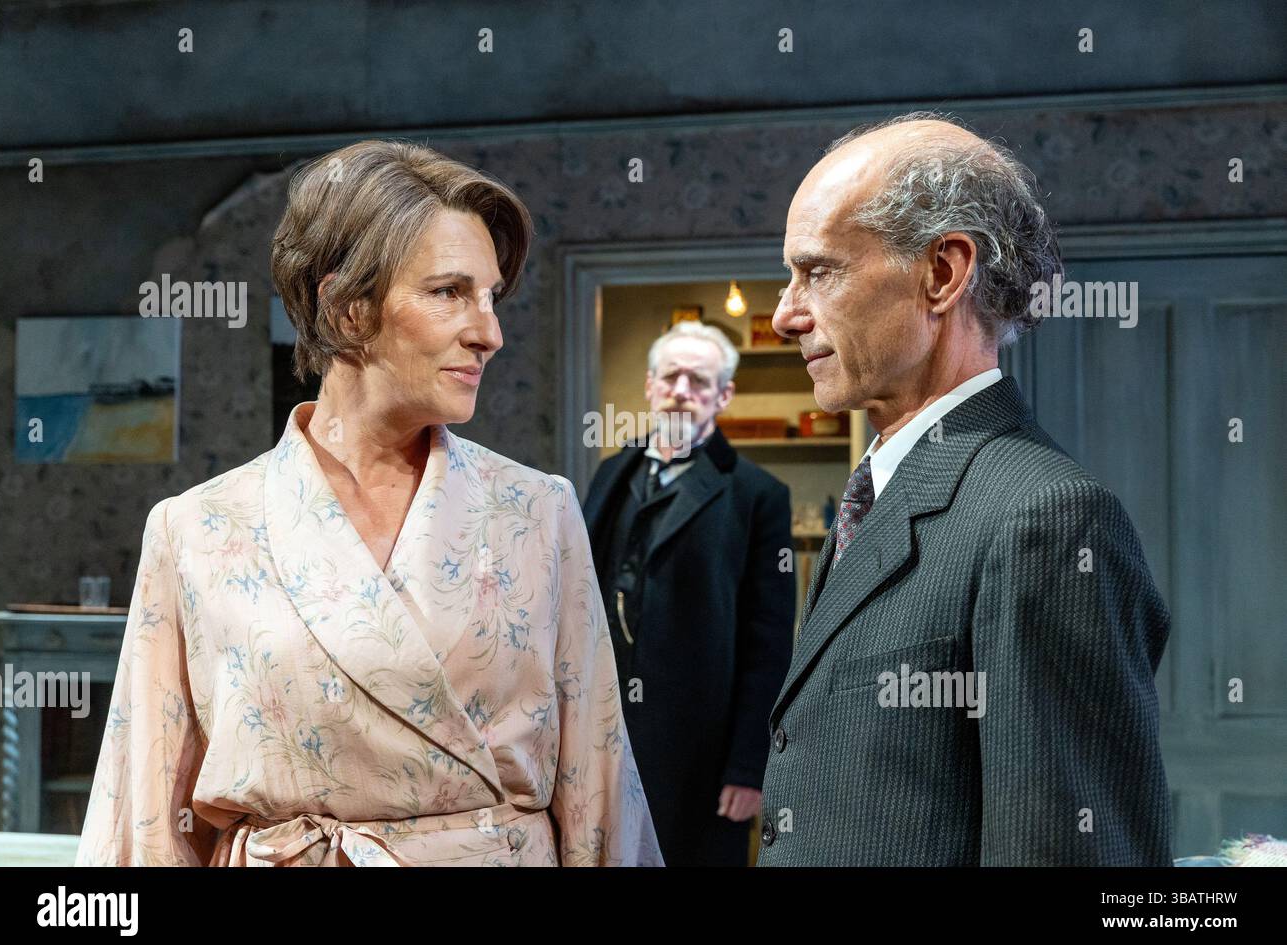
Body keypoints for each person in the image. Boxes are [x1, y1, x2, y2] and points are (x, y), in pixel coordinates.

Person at [76, 140, 662, 867]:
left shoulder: (538, 512)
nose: (489, 333)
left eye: (491, 297)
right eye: (449, 292)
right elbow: (145, 814)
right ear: (347, 308)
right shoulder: (197, 529)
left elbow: (598, 787)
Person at [758, 113, 1172, 865]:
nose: (785, 314)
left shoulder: (1047, 519)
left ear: (943, 274)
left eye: (819, 272)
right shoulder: (877, 495)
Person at [582, 321, 794, 865]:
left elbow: (769, 643)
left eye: (698, 381)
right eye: (671, 376)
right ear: (650, 386)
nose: (681, 390)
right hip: (602, 737)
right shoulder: (611, 473)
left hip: (699, 750)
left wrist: (748, 767)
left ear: (722, 396)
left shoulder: (758, 495)